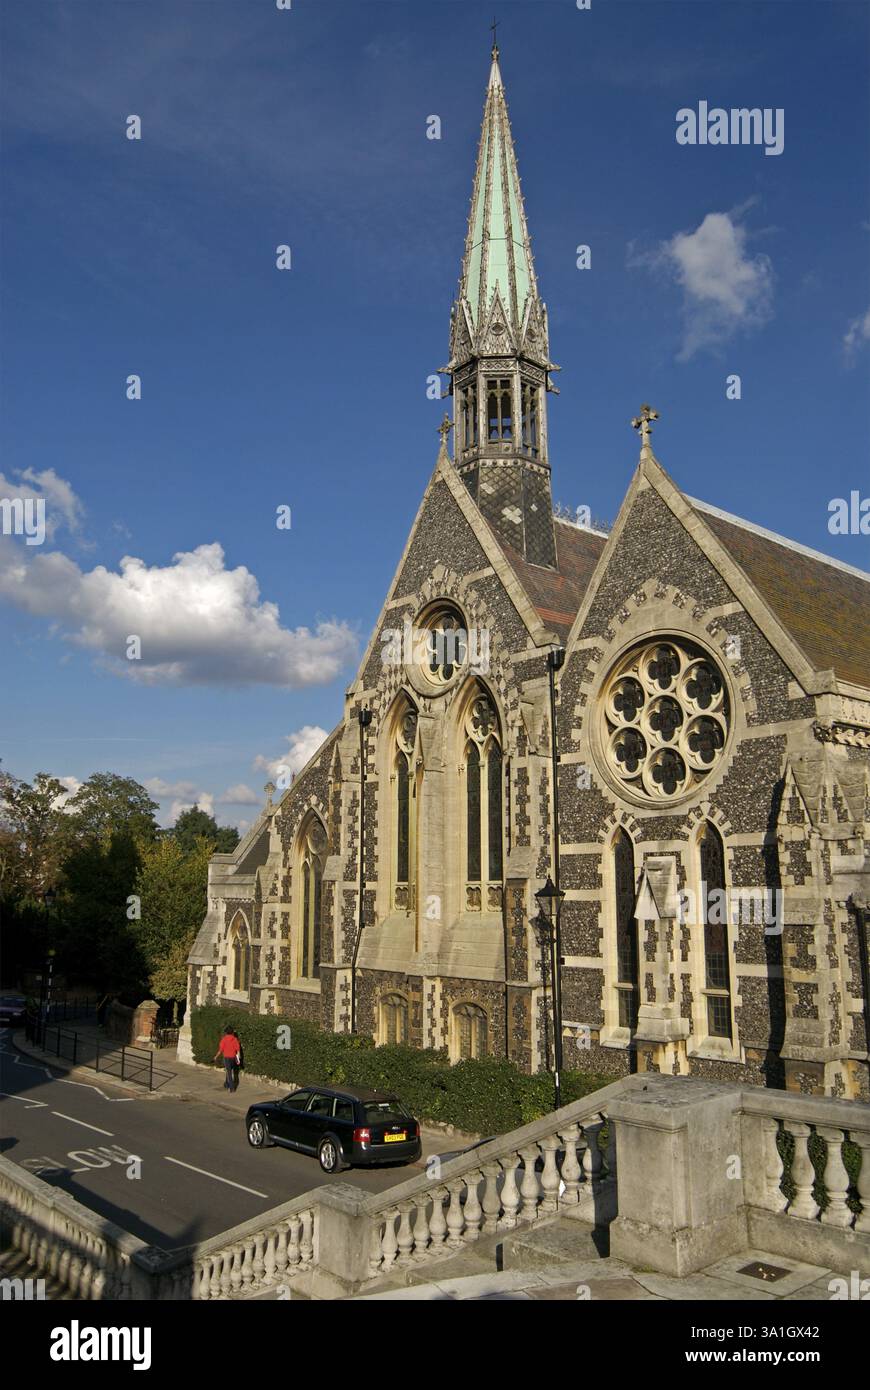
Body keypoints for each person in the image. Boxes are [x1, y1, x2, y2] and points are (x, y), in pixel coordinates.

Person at [213, 1025, 241, 1092]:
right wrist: (238, 1058)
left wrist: (216, 1056)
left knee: (229, 1073)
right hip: (233, 1058)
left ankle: (231, 1088)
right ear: (232, 1032)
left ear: (226, 1032)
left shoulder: (224, 1039)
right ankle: (226, 1084)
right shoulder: (235, 1039)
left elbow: (220, 1050)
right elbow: (238, 1050)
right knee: (229, 1070)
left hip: (227, 1058)